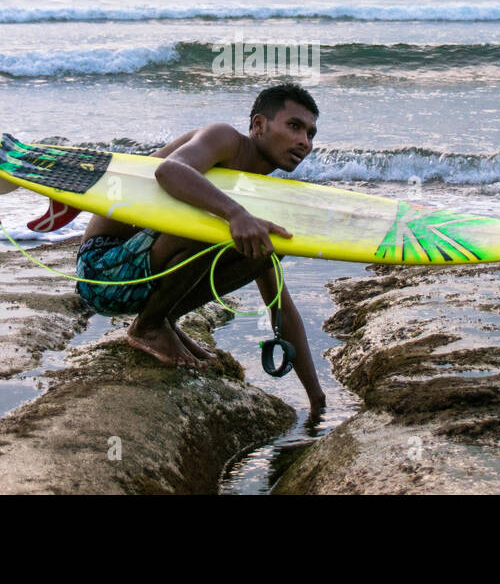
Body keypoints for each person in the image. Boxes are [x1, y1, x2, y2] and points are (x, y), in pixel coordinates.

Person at [74, 82, 325, 418]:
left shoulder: (258, 188)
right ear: (259, 125)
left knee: (269, 250)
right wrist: (235, 213)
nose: (304, 142)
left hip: (142, 274)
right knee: (213, 226)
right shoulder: (224, 139)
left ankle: (164, 318)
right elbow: (170, 171)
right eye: (294, 127)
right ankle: (149, 326)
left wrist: (316, 397)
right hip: (103, 271)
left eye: (310, 133)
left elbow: (278, 300)